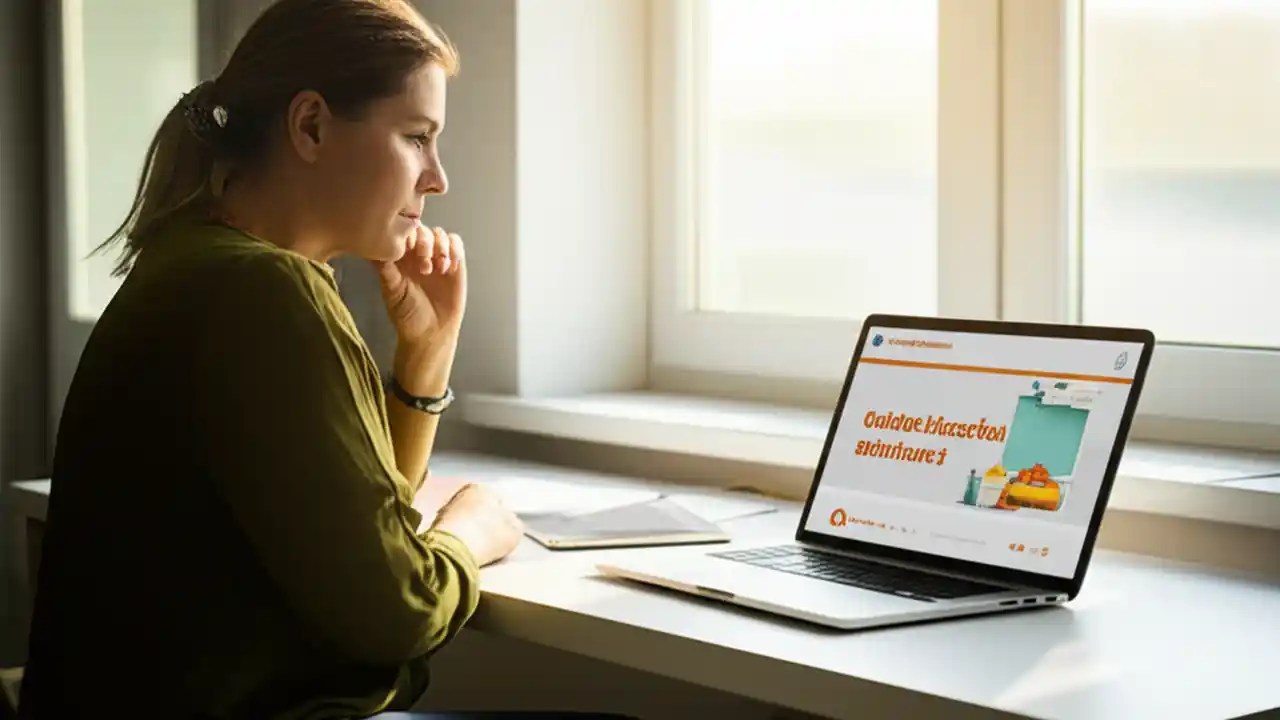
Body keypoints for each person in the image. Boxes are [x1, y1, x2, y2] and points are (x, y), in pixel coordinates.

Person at [20, 1, 525, 717]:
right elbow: (395, 609)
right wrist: (470, 532)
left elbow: (353, 531)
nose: (437, 177)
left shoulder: (203, 262)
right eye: (417, 137)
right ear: (311, 125)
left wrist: (426, 355)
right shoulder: (262, 290)